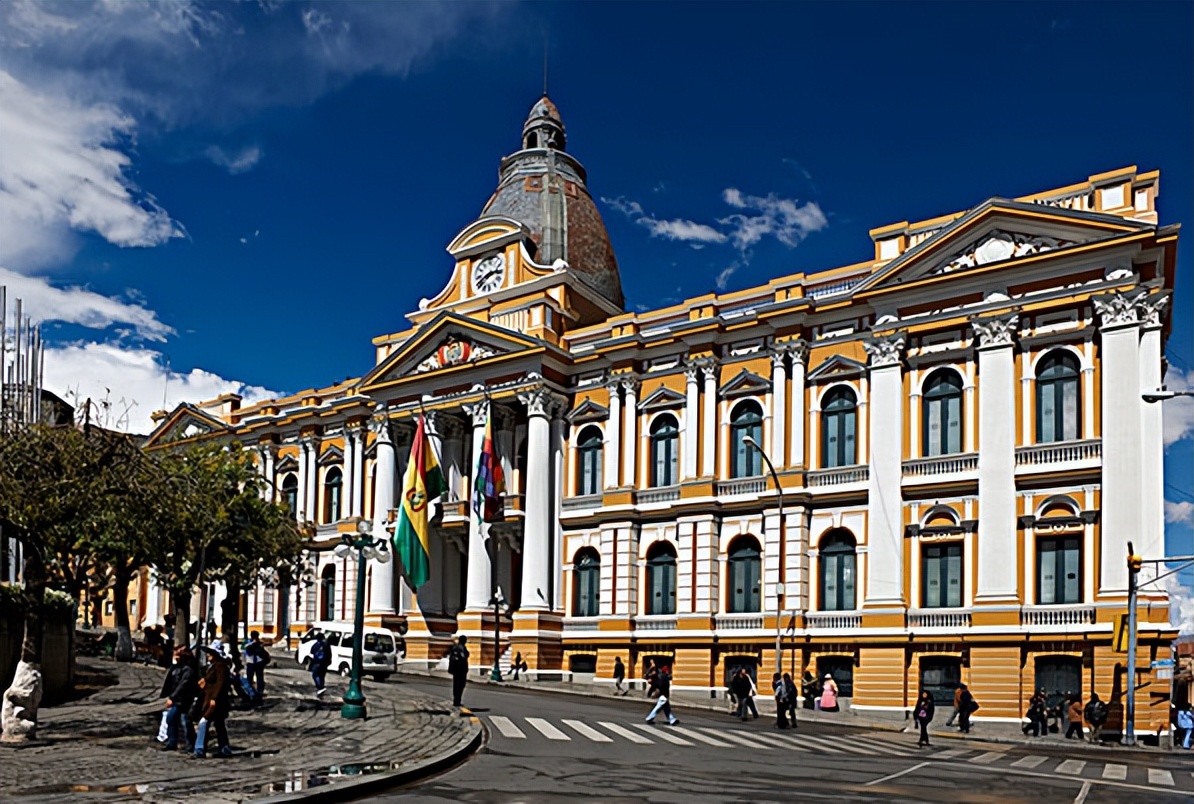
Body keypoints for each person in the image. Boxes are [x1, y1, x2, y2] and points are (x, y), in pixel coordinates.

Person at [193, 642, 233, 759]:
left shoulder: (220, 666)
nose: (208, 655)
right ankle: (225, 748)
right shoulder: (214, 666)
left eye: (210, 653)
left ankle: (199, 749)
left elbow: (220, 683)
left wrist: (214, 698)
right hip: (212, 699)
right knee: (219, 725)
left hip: (215, 701)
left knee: (204, 722)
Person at [159, 646, 198, 752]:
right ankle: (172, 742)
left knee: (185, 720)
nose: (175, 657)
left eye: (177, 654)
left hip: (185, 699)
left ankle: (190, 744)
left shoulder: (189, 669)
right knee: (171, 718)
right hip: (177, 699)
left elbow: (183, 684)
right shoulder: (176, 667)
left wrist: (172, 697)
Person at [242, 630, 270, 704]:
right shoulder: (247, 642)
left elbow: (262, 652)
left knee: (260, 678)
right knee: (249, 679)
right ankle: (251, 693)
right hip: (250, 662)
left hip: (258, 662)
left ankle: (259, 693)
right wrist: (253, 644)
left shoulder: (260, 643)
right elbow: (247, 651)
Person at [447, 635, 470, 707]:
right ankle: (457, 700)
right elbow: (464, 656)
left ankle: (455, 700)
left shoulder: (454, 647)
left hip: (455, 670)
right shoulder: (462, 648)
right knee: (460, 685)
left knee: (455, 684)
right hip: (461, 670)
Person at [308, 630, 330, 696]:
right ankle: (321, 687)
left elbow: (311, 654)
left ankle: (320, 687)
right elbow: (329, 654)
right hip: (324, 663)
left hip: (317, 662)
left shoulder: (316, 645)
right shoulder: (327, 644)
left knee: (315, 675)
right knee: (322, 675)